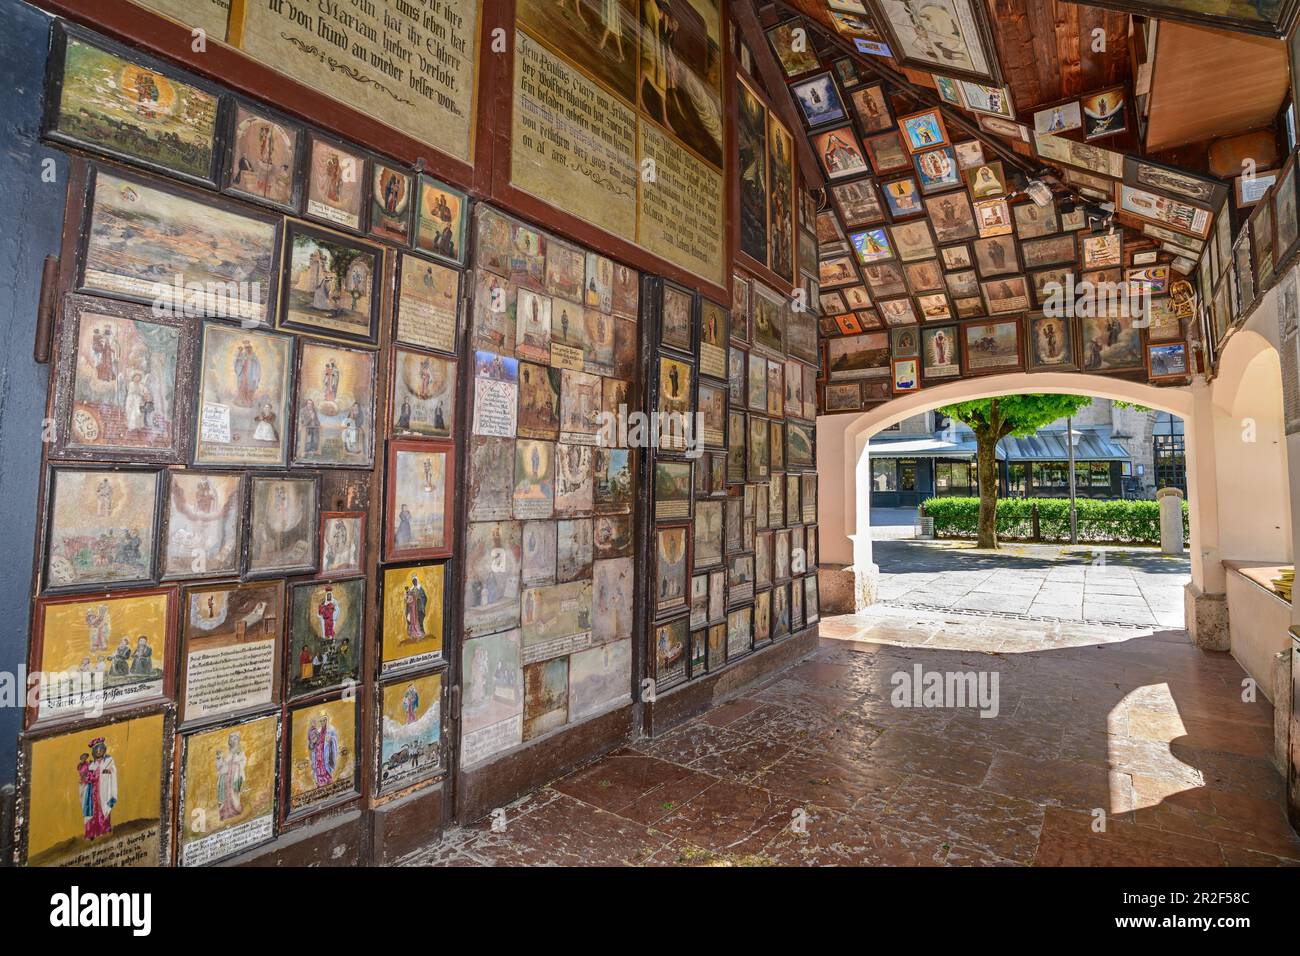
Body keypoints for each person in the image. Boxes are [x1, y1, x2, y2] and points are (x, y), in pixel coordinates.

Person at [79, 737, 117, 840]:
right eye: (96, 750)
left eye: (100, 749)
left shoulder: (109, 760)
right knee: (93, 812)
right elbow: (85, 776)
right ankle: (92, 832)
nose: (99, 751)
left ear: (104, 749)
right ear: (93, 752)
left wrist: (101, 773)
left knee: (103, 810)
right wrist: (87, 778)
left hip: (104, 790)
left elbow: (111, 773)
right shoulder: (91, 764)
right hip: (93, 792)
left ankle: (104, 829)